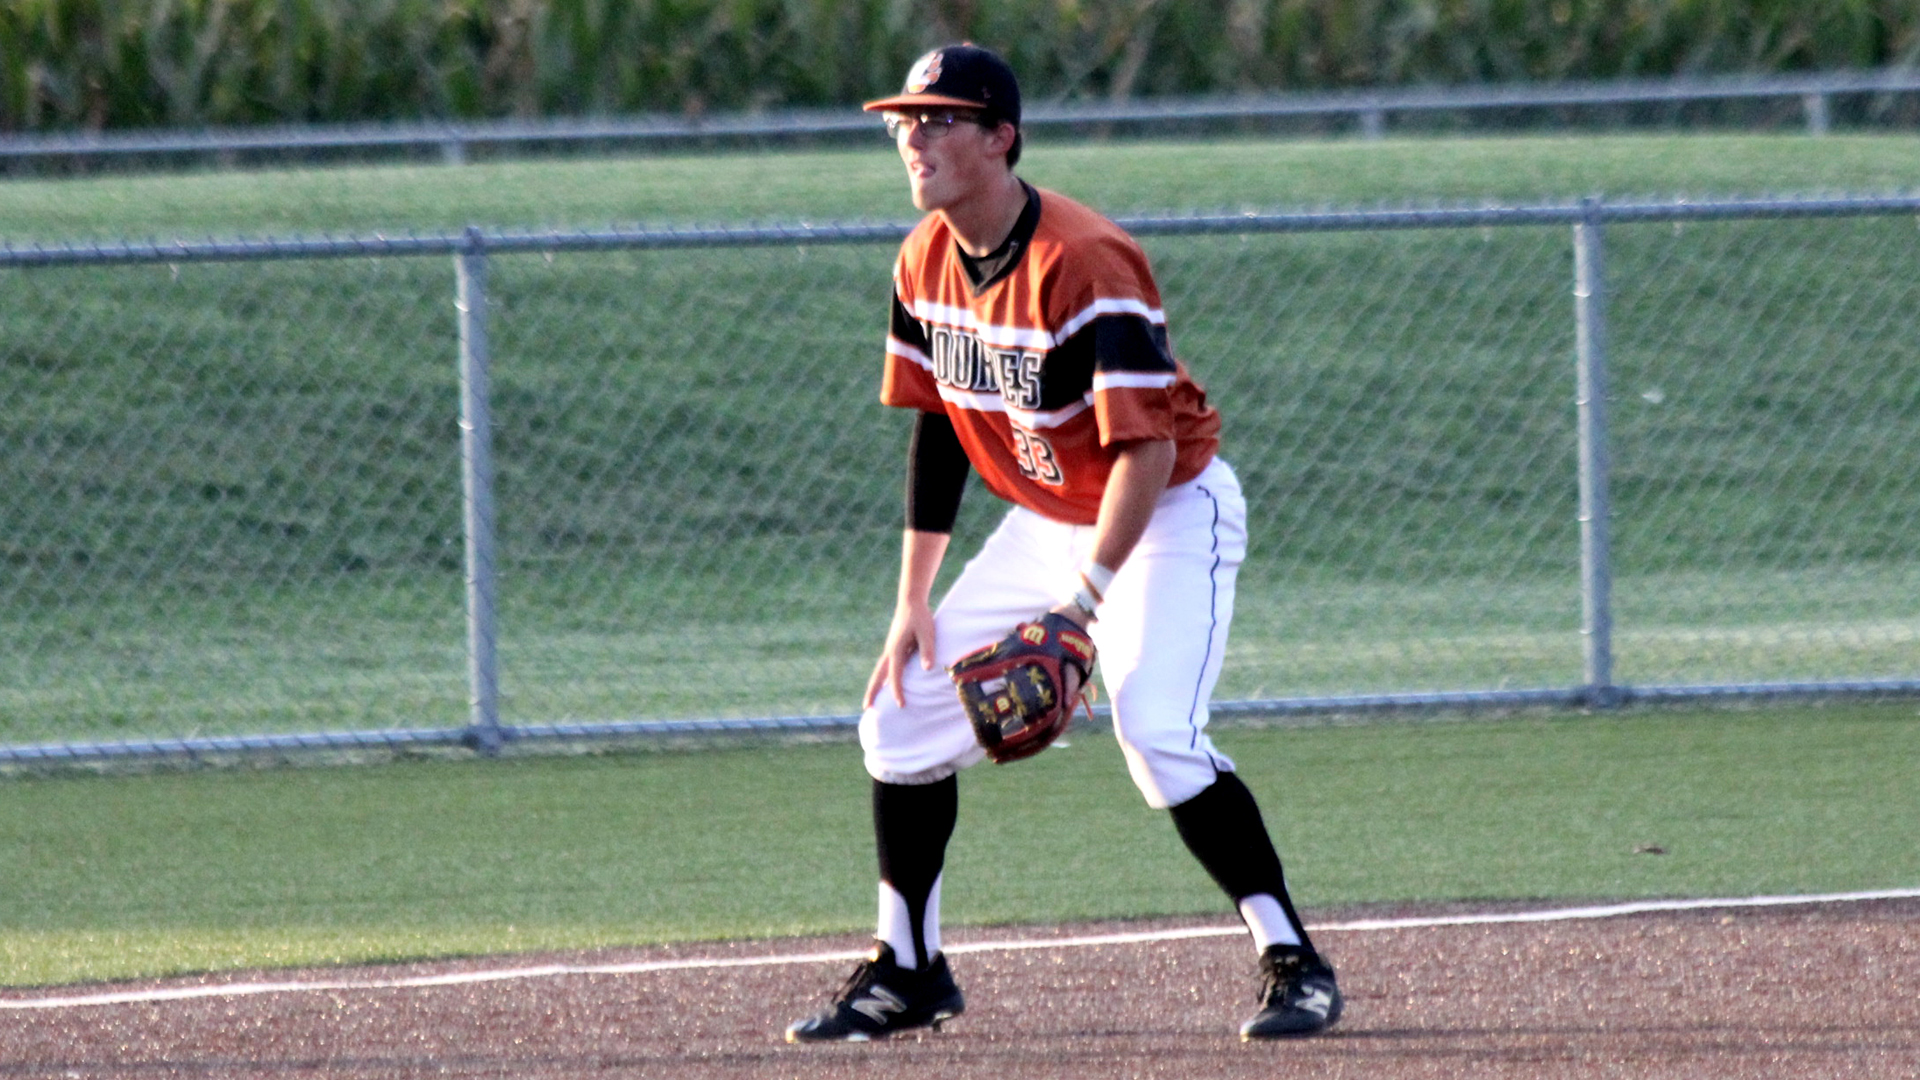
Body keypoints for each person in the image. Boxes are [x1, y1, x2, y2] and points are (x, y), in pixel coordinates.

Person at [784, 43, 1341, 1044]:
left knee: (1155, 730)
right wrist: (913, 598)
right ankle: (909, 969)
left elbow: (1149, 448)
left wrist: (1078, 611)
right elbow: (943, 423)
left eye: (943, 119)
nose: (916, 135)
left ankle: (1292, 958)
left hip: (1167, 508)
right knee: (900, 723)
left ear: (1001, 137)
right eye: (906, 120)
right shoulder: (921, 261)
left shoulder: (1082, 260)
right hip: (1050, 517)